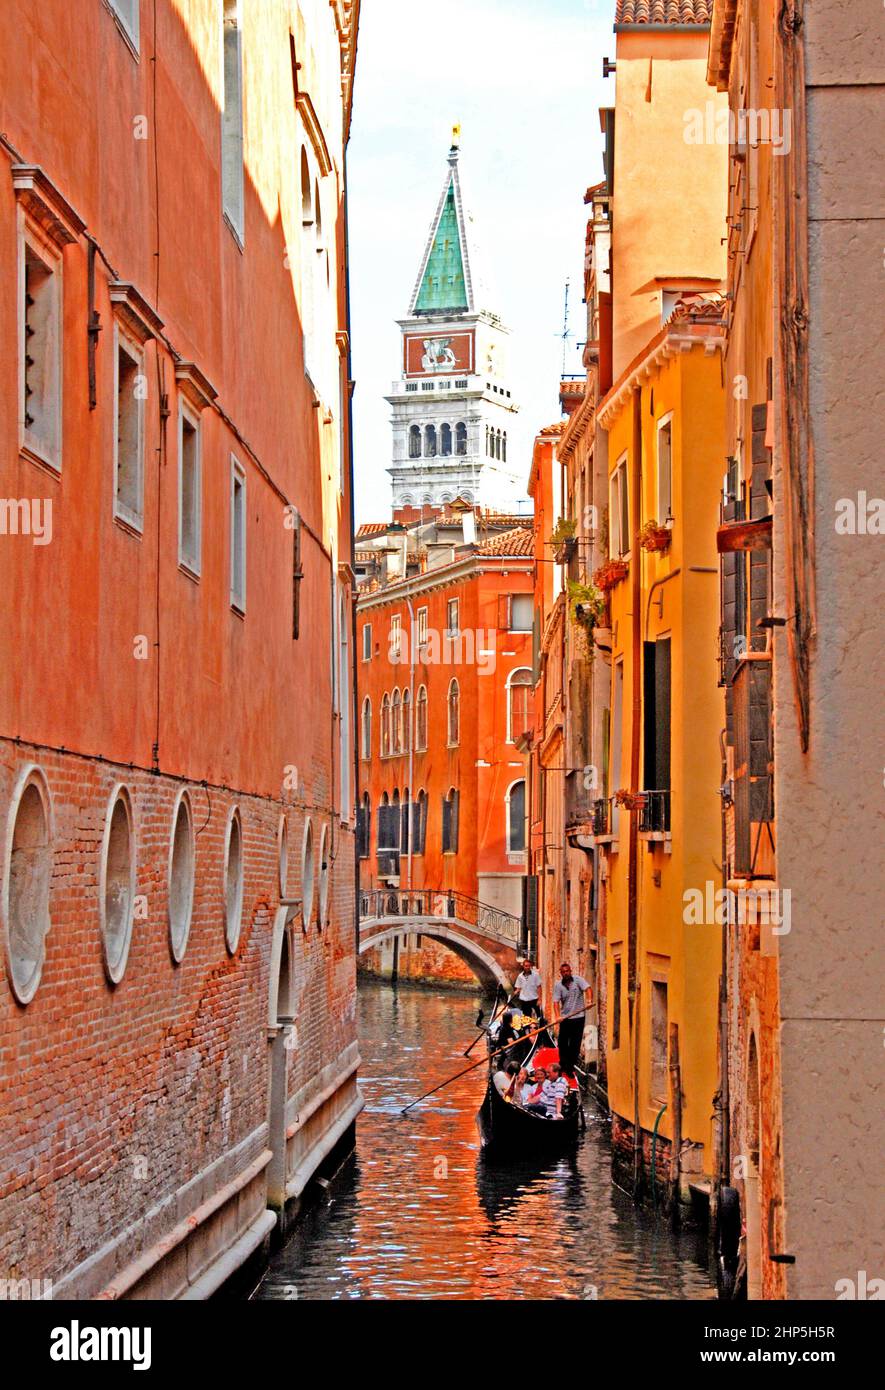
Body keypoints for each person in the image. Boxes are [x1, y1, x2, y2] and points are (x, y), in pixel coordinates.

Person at [553, 961, 592, 1080]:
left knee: (575, 1044)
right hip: (565, 1018)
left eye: (567, 971)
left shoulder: (578, 980)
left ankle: (569, 1068)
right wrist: (558, 1016)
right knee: (562, 1043)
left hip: (579, 1017)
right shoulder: (558, 985)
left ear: (570, 971)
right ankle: (562, 1065)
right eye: (563, 972)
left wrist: (589, 1000)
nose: (566, 973)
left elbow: (588, 988)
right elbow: (555, 1002)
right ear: (561, 973)